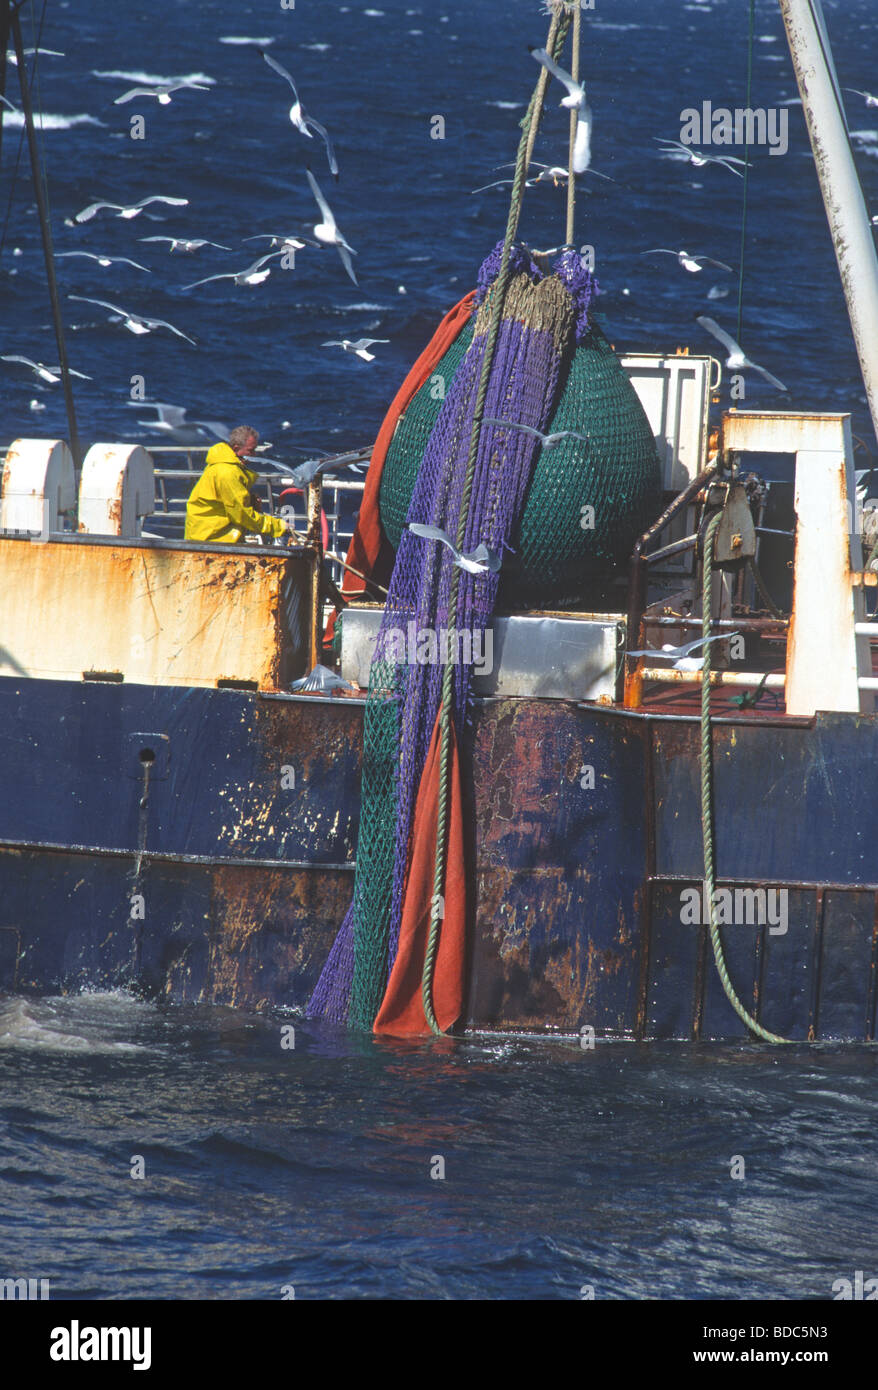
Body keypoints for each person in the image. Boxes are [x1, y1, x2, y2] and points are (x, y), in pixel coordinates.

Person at [184, 425, 295, 544]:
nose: (254, 455)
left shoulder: (222, 464)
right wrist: (278, 526)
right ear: (236, 449)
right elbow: (242, 514)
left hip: (204, 534)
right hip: (211, 538)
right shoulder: (228, 472)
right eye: (250, 450)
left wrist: (249, 500)